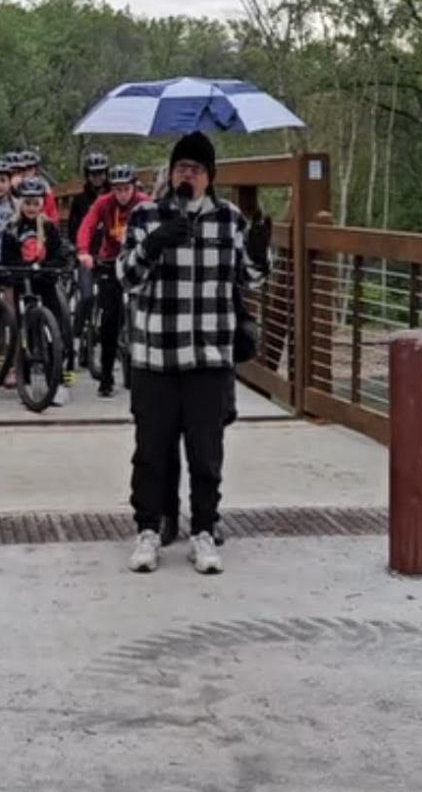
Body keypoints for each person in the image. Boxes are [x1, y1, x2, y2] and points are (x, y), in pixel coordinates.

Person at [119, 132, 271, 574]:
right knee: (150, 451)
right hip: (156, 354)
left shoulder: (229, 219)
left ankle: (204, 529)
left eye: (197, 169)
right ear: (170, 173)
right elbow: (127, 277)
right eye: (181, 167)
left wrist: (261, 252)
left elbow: (251, 279)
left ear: (210, 177)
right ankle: (148, 529)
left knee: (206, 452)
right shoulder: (146, 216)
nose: (188, 175)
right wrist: (156, 242)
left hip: (208, 353)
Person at [0, 174, 73, 406]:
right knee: (24, 331)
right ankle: (27, 380)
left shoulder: (49, 227)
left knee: (55, 331)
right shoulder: (11, 229)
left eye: (35, 203)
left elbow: (59, 254)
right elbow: (8, 258)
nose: (31, 207)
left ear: (41, 204)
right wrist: (22, 270)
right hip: (23, 283)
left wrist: (47, 267)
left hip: (45, 281)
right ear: (20, 203)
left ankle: (57, 381)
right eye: (27, 203)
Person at [76, 163, 147, 398]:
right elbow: (87, 224)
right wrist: (84, 251)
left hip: (137, 261)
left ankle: (141, 371)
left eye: (126, 188)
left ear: (133, 187)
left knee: (144, 316)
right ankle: (106, 375)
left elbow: (158, 228)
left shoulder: (144, 203)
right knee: (110, 318)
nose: (122, 194)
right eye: (117, 189)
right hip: (110, 260)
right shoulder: (104, 202)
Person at [68, 151, 110, 369]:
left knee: (108, 299)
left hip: (108, 255)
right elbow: (75, 229)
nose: (97, 178)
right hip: (87, 255)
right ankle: (77, 337)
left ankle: (104, 340)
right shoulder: (80, 200)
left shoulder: (114, 197)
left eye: (101, 173)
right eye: (93, 174)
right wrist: (79, 251)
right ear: (87, 175)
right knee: (85, 297)